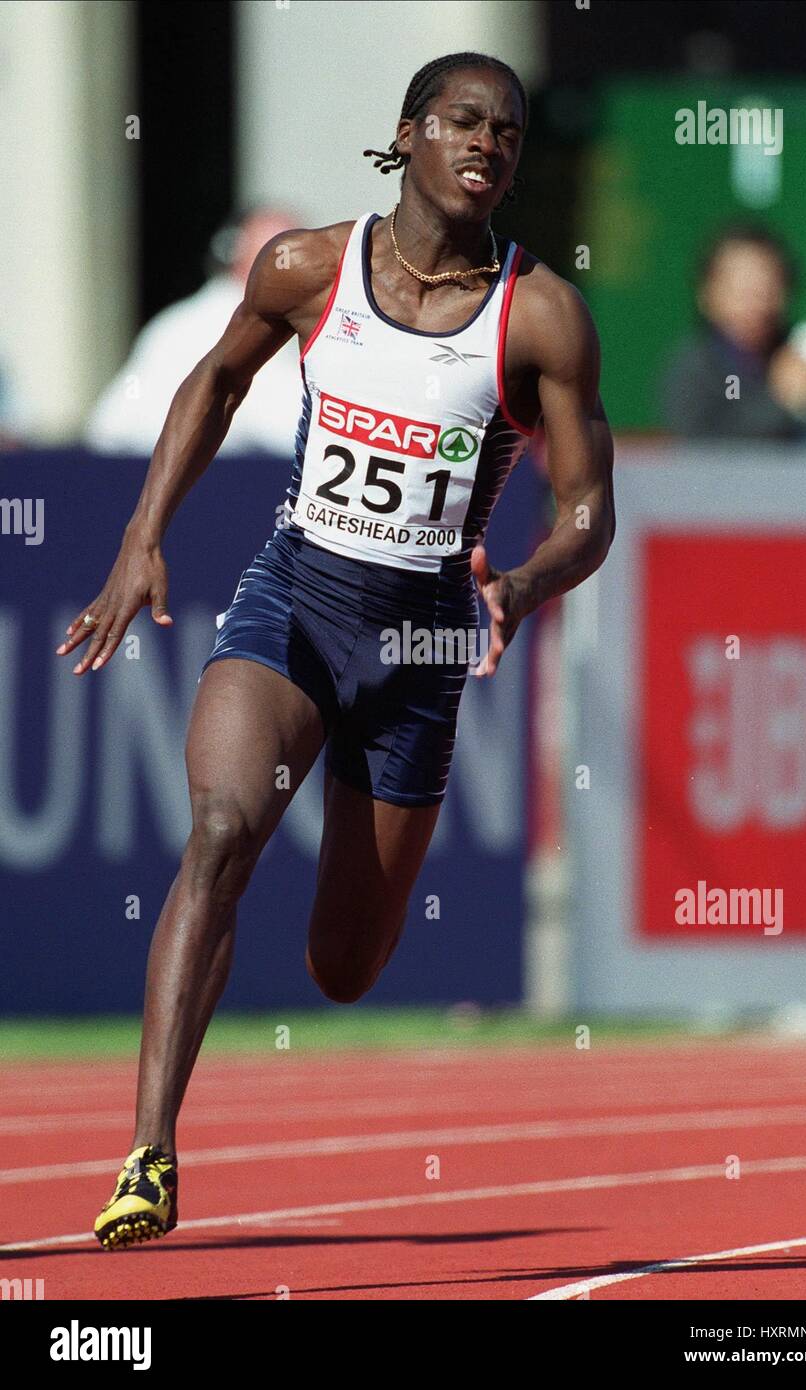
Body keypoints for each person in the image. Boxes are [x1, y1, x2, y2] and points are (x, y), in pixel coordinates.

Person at [56, 51, 614, 1251]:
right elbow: (210, 381)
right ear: (407, 133)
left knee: (344, 964)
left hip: (417, 649)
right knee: (217, 834)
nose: (487, 144)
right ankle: (149, 1152)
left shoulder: (544, 315)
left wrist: (518, 580)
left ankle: (317, 967)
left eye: (507, 132)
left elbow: (587, 510)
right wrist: (139, 542)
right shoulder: (309, 266)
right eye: (463, 121)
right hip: (294, 596)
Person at [84, 208, 303, 455]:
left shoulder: (283, 320)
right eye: (280, 254)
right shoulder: (192, 325)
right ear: (237, 254)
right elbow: (111, 422)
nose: (294, 266)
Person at [661, 224, 806, 440]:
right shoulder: (700, 369)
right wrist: (783, 396)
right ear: (707, 293)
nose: (756, 301)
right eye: (742, 286)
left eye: (767, 286)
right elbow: (712, 447)